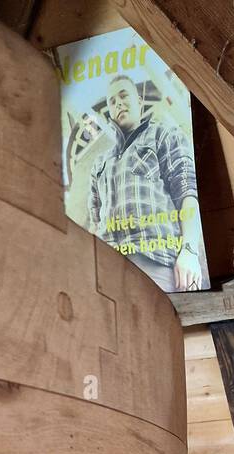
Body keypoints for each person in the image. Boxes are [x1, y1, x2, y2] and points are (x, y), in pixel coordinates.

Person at [87, 73, 204, 292]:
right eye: (112, 101)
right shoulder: (99, 163)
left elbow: (188, 191)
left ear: (139, 101)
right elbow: (94, 224)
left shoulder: (162, 134)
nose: (118, 103)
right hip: (108, 274)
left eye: (124, 95)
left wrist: (189, 252)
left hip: (157, 265)